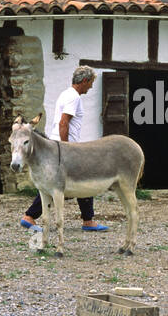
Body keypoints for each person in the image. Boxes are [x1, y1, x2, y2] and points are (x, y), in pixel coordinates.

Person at [20, 66, 109, 233]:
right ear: (84, 81)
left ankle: (88, 220)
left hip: (59, 145)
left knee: (79, 178)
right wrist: (65, 147)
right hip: (64, 147)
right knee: (70, 180)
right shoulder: (73, 97)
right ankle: (30, 216)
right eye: (90, 83)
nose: (90, 87)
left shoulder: (66, 94)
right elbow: (63, 122)